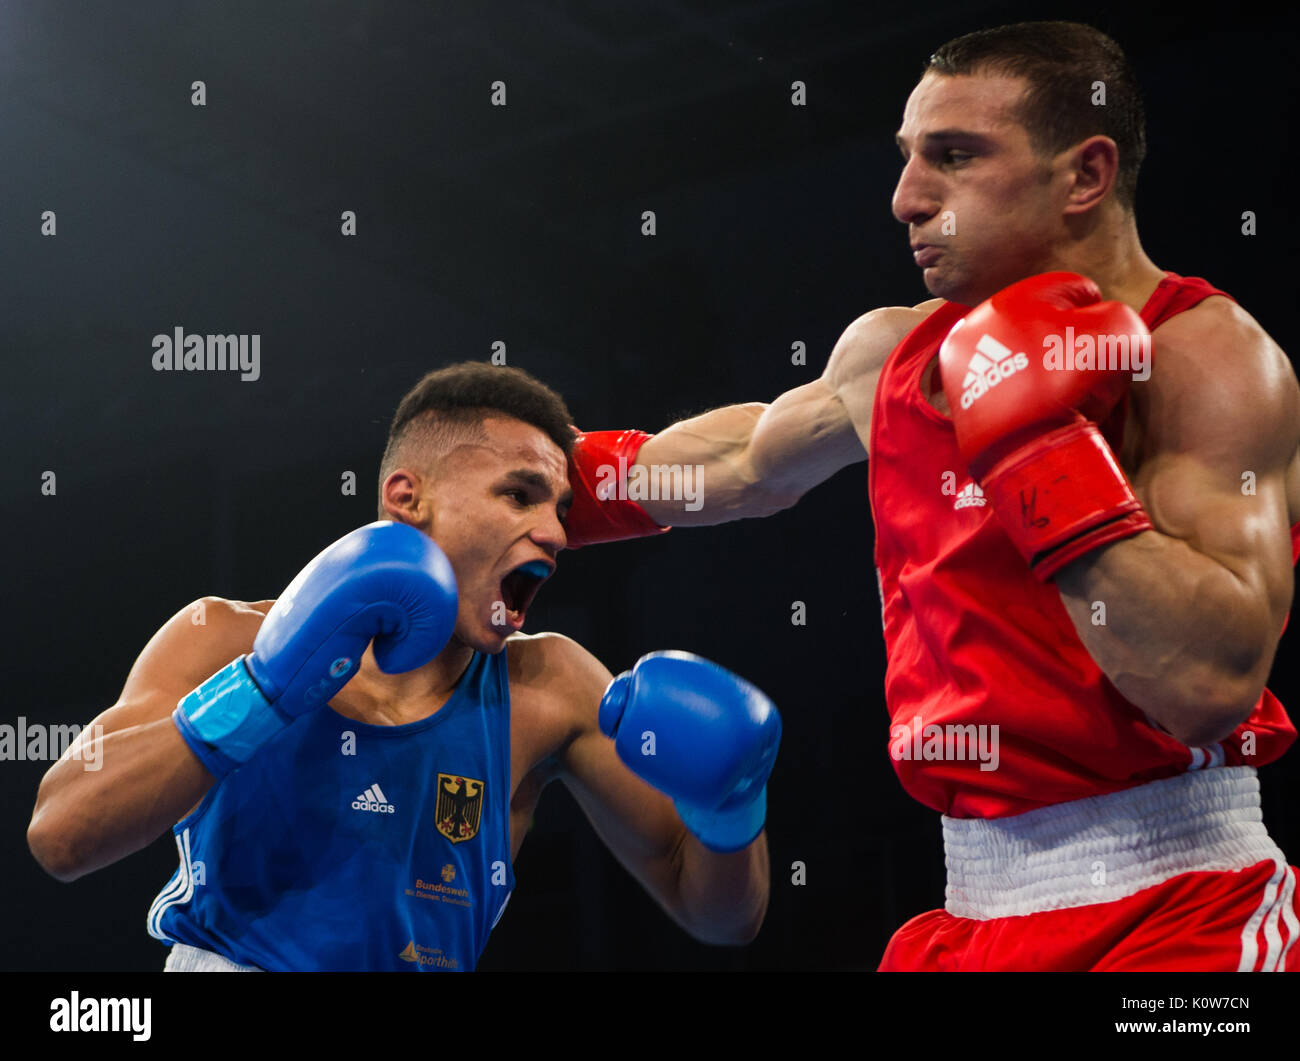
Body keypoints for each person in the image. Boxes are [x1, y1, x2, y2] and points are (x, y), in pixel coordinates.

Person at [563, 21, 1300, 970]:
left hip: (1182, 910)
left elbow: (1206, 688)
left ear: (1085, 174)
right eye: (909, 158)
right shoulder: (893, 354)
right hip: (968, 911)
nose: (908, 199)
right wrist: (538, 485)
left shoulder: (1207, 357)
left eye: (953, 158)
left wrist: (1037, 451)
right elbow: (738, 464)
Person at [26, 363, 780, 971]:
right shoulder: (223, 635)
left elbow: (722, 917)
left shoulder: (550, 687)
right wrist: (262, 688)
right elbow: (61, 834)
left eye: (559, 509)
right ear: (405, 497)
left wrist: (732, 808)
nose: (553, 532)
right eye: (518, 494)